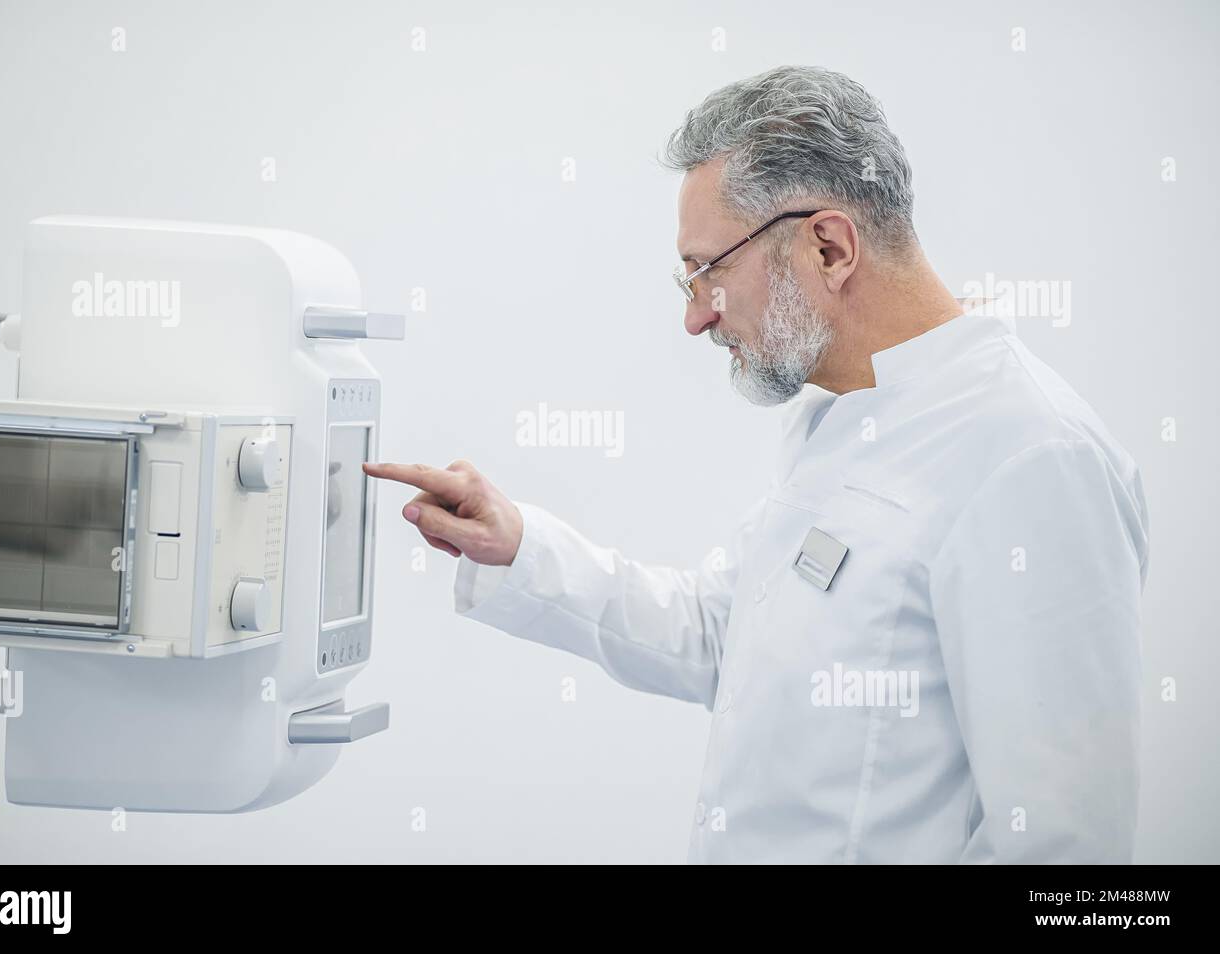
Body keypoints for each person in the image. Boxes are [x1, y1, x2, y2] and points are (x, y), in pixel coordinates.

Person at [364, 65, 1149, 863]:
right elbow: (721, 636)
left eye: (710, 272)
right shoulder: (841, 421)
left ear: (829, 246)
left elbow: (1065, 851)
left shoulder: (1032, 457)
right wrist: (521, 545)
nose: (696, 315)